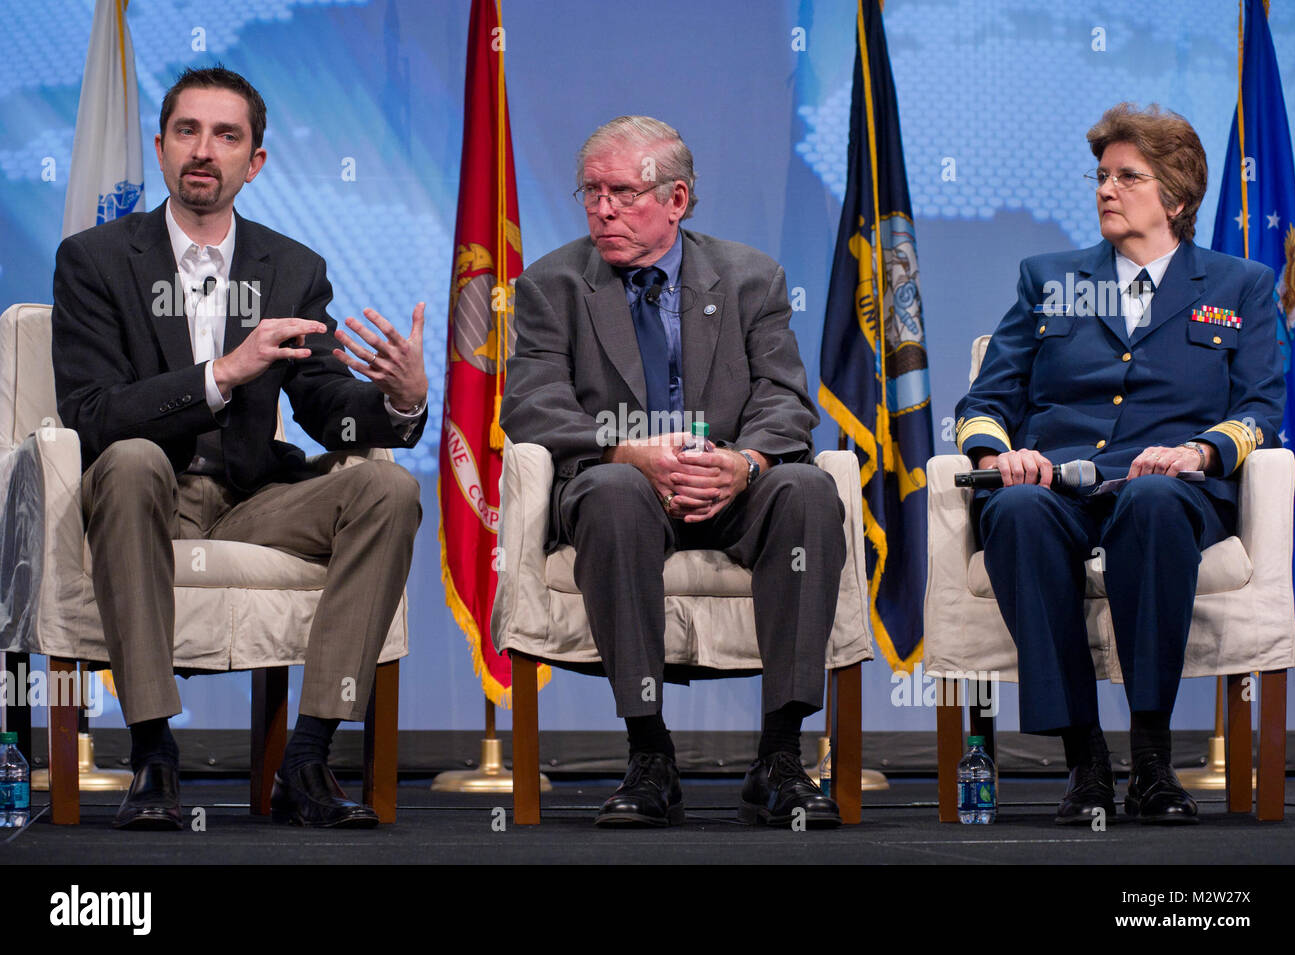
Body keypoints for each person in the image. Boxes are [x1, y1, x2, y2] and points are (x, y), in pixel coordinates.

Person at [52, 67, 428, 830]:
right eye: (188, 131)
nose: (204, 150)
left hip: (251, 501)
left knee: (388, 490)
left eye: (227, 136)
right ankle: (155, 750)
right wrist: (222, 374)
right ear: (160, 149)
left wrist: (401, 400)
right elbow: (91, 416)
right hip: (140, 497)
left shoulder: (291, 268)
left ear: (254, 161)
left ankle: (309, 754)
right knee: (127, 459)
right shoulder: (93, 260)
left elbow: (326, 408)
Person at [501, 116, 846, 828]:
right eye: (591, 191)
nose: (603, 208)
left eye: (623, 193)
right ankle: (649, 752)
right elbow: (532, 409)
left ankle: (780, 755)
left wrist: (744, 464)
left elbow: (785, 399)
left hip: (730, 486)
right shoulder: (551, 286)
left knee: (807, 486)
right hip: (621, 486)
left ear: (677, 199)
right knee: (612, 491)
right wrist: (626, 451)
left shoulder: (752, 277)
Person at [955, 103, 1285, 825]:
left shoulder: (1241, 286)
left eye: (1126, 176)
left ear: (1176, 196)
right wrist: (1001, 454)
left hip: (1171, 487)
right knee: (1011, 511)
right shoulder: (1048, 277)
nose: (1104, 189)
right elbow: (984, 400)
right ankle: (1086, 760)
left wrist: (1200, 450)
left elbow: (1261, 409)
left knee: (1157, 502)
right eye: (1100, 175)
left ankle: (1154, 760)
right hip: (1059, 485)